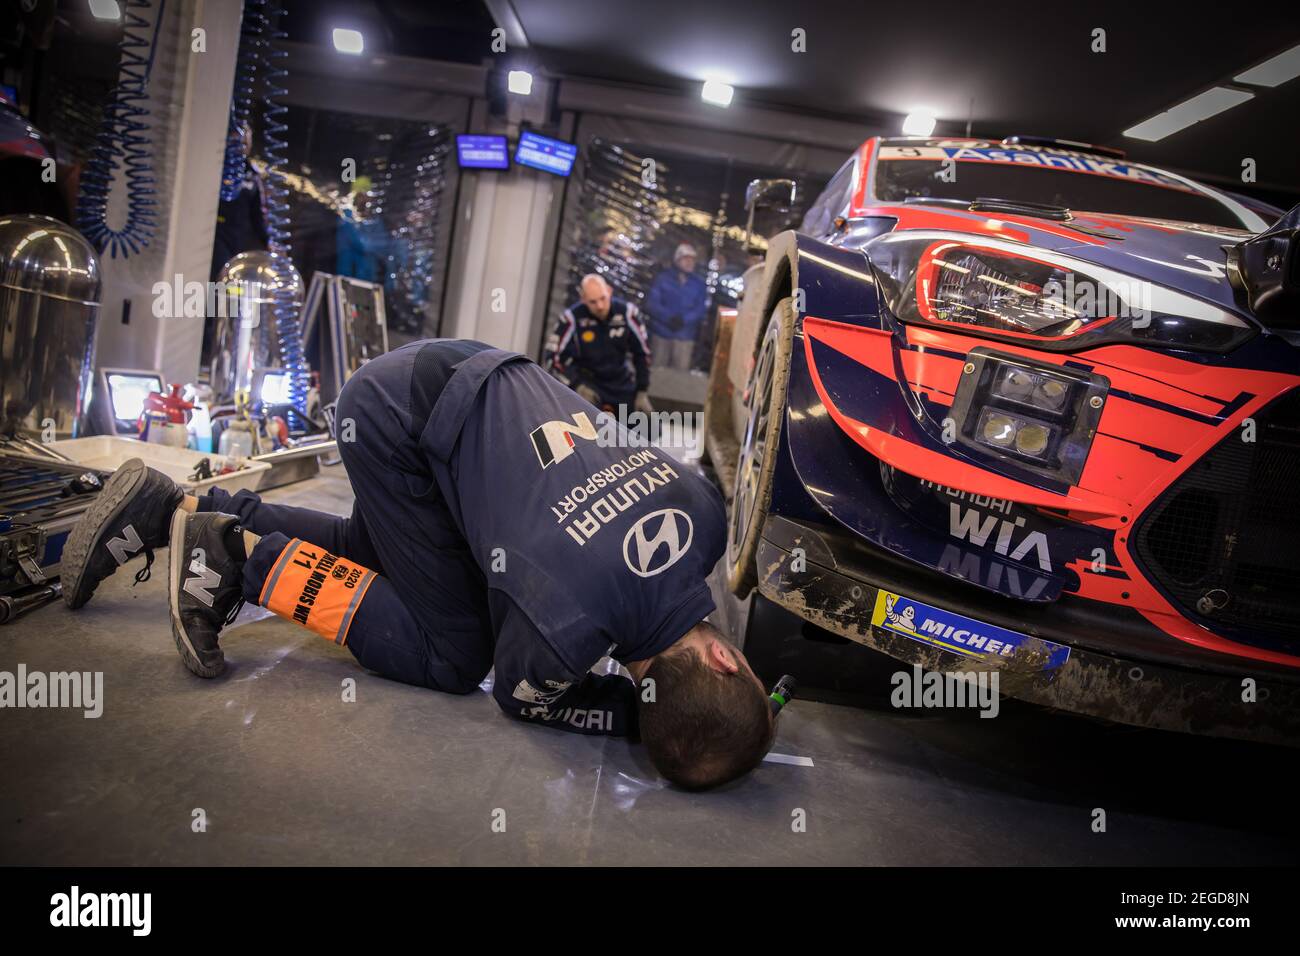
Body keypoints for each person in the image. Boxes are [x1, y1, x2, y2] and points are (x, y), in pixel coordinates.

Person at [60, 339, 775, 790]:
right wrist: (631, 716)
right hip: (399, 421)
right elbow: (521, 694)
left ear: (727, 663)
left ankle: (171, 511)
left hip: (458, 372)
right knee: (456, 653)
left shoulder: (705, 513)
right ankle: (239, 559)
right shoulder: (567, 633)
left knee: (392, 568)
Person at [545, 274, 653, 413]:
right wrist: (576, 385)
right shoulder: (571, 319)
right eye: (593, 302)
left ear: (609, 291)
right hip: (588, 383)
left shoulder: (627, 313)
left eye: (603, 298)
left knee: (651, 428)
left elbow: (642, 354)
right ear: (583, 299)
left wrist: (642, 391)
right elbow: (552, 359)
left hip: (620, 382)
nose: (600, 306)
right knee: (594, 428)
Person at [646, 242, 709, 371]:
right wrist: (668, 318)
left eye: (692, 259)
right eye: (686, 259)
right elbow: (652, 303)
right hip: (662, 334)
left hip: (684, 337)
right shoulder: (663, 279)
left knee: (679, 379)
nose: (690, 262)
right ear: (677, 260)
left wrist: (683, 320)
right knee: (657, 372)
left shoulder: (698, 284)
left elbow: (700, 308)